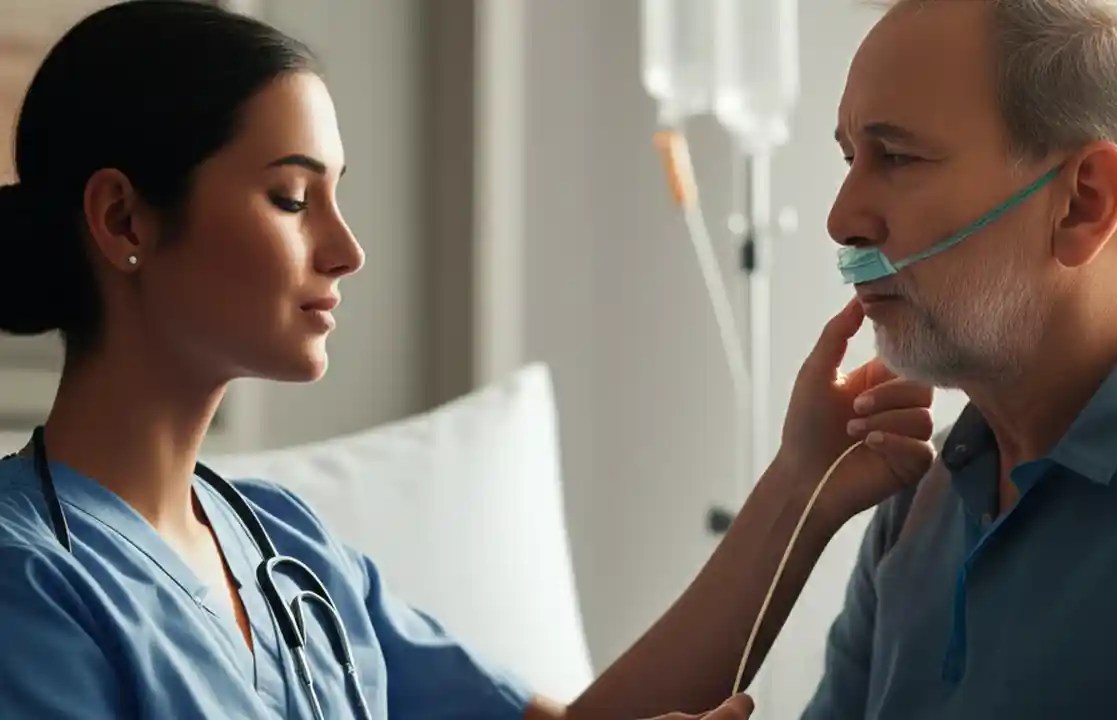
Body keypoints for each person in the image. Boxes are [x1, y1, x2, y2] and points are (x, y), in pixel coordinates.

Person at [0, 2, 937, 718]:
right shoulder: (28, 581)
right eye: (291, 198)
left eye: (337, 196)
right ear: (124, 218)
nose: (346, 249)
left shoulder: (288, 550)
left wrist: (803, 482)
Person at [803, 0, 1117, 718]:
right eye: (850, 158)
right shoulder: (916, 499)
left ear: (1083, 203)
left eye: (895, 157)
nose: (842, 220)